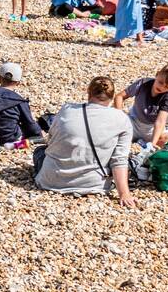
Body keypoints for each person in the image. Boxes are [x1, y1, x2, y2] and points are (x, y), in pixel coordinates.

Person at [33, 76, 136, 208]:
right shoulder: (122, 119)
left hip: (51, 180)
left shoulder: (67, 109)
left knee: (39, 151)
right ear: (112, 97)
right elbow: (119, 160)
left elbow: (51, 138)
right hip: (93, 184)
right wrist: (124, 194)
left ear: (89, 92)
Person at [0, 63, 43, 148]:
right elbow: (29, 123)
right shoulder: (19, 101)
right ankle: (15, 145)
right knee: (35, 135)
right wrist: (39, 133)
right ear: (18, 83)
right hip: (9, 138)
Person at [115, 64, 168, 147]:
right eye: (160, 82)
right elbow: (120, 96)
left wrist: (153, 144)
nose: (162, 87)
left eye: (167, 87)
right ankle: (137, 140)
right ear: (157, 74)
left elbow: (160, 121)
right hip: (134, 121)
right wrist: (119, 117)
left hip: (152, 129)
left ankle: (143, 143)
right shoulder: (143, 83)